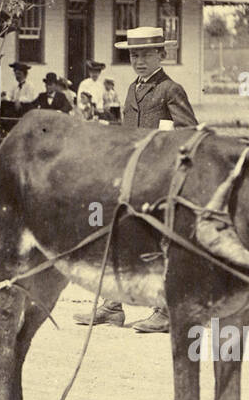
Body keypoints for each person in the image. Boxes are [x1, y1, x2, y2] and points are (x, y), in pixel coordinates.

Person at [78, 26, 196, 332]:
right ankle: (113, 306)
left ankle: (165, 311)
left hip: (159, 179)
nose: (139, 60)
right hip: (130, 176)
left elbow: (189, 133)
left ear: (162, 55)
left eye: (146, 54)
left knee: (158, 242)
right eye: (134, 54)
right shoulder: (131, 89)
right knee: (116, 234)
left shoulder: (171, 90)